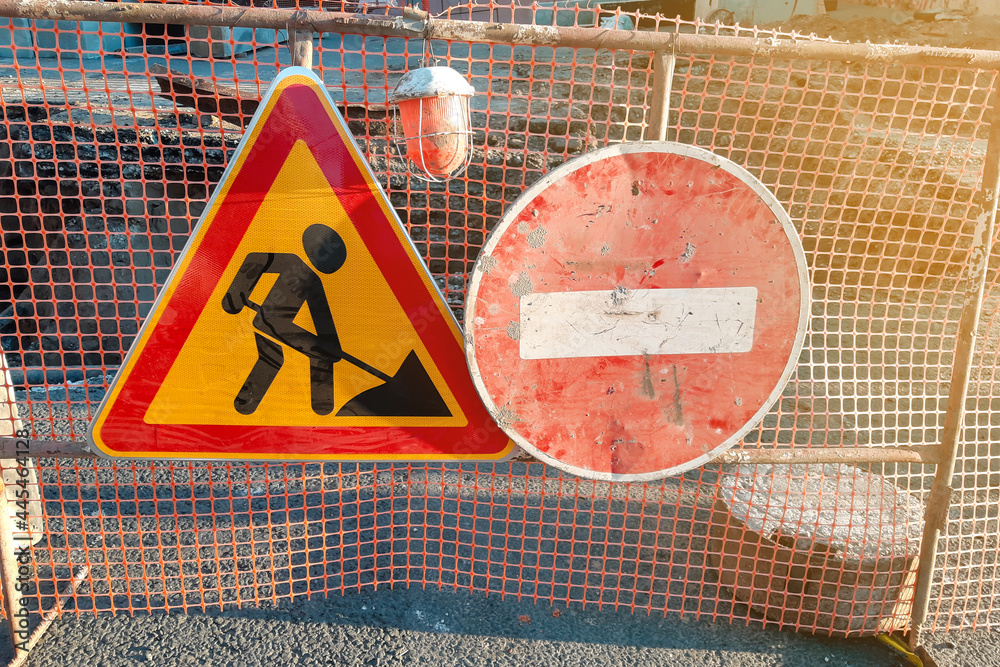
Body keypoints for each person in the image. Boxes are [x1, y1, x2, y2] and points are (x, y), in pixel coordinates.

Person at [221, 224, 347, 416]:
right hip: (268, 320)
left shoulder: (315, 282)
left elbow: (324, 322)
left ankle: (322, 406)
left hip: (277, 326)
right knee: (273, 357)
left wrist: (330, 348)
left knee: (320, 355)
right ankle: (243, 407)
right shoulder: (291, 263)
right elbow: (256, 260)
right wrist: (235, 295)